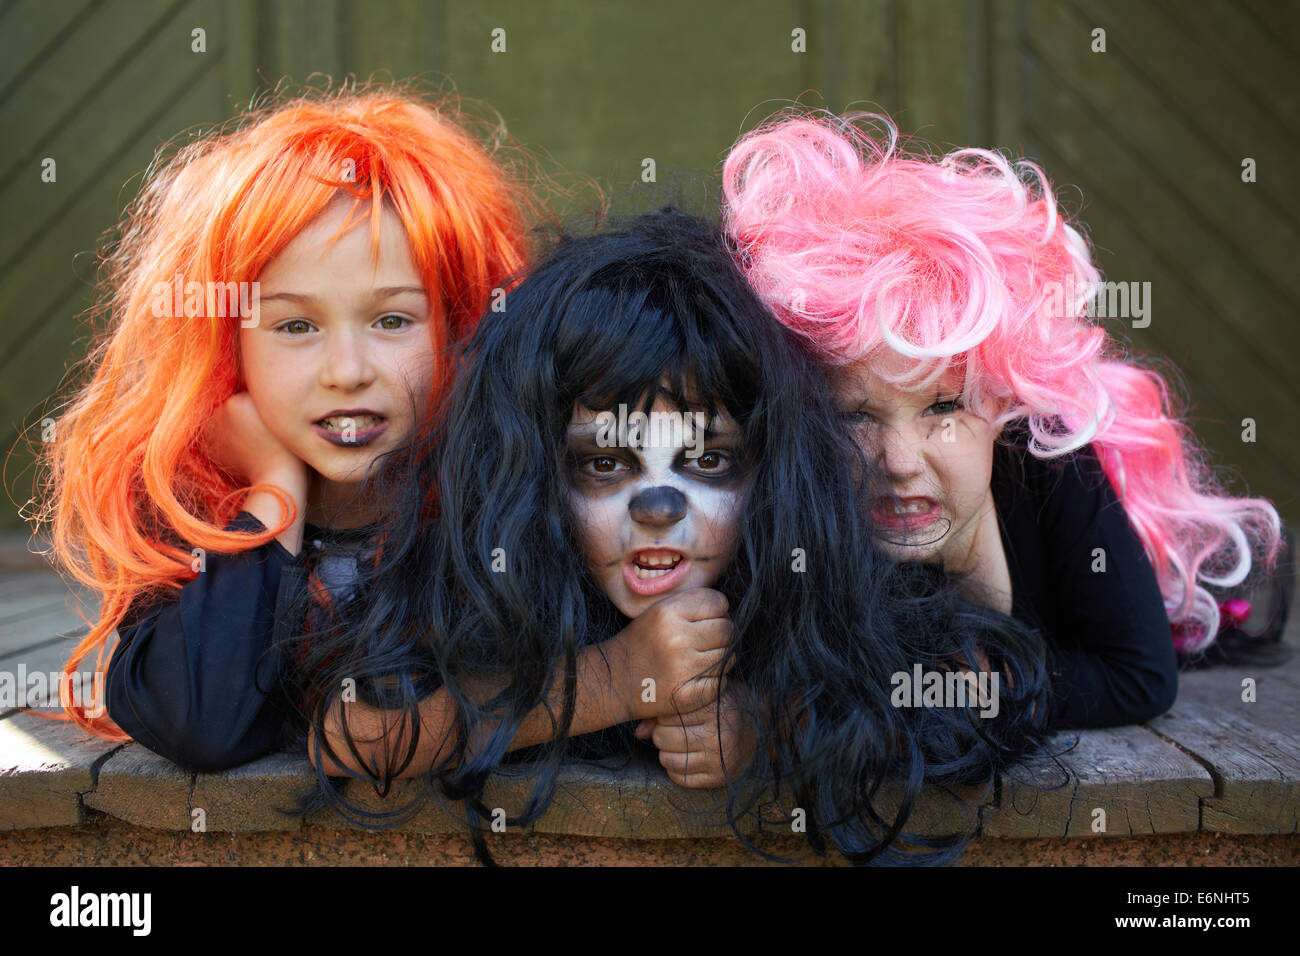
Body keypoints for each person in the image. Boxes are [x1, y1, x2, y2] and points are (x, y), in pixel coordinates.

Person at [300, 208, 1050, 864]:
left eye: (707, 459)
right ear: (533, 479)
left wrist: (766, 727)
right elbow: (347, 735)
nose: (658, 506)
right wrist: (613, 681)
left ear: (774, 469)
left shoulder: (817, 585)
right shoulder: (498, 588)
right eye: (604, 463)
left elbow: (987, 680)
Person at [722, 111, 1287, 730]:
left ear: (1001, 403)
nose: (901, 459)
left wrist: (969, 654)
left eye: (944, 407)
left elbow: (1140, 675)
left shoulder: (1052, 450)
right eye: (854, 416)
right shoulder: (784, 500)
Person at [28, 87, 537, 771]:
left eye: (392, 320)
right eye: (297, 326)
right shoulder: (191, 515)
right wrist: (273, 491)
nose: (348, 371)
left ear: (460, 325)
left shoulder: (504, 502)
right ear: (224, 346)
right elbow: (203, 723)